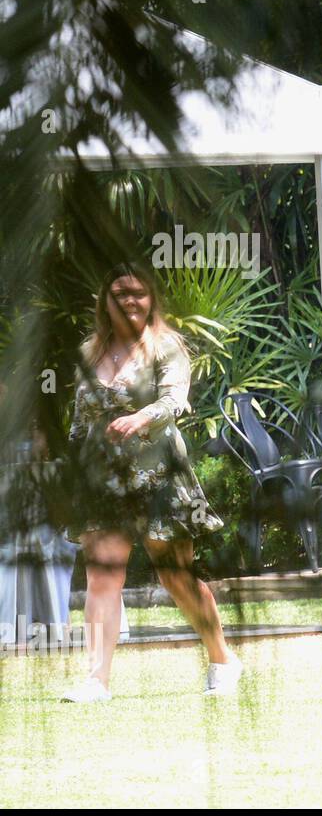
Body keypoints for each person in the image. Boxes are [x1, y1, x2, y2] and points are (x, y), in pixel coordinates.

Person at [59, 264, 239, 702]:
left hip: (158, 476)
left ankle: (221, 659)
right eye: (119, 293)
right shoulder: (90, 351)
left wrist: (141, 418)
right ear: (105, 301)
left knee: (175, 576)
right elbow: (80, 418)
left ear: (151, 299)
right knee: (102, 576)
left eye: (138, 293)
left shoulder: (166, 346)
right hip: (101, 481)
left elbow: (175, 399)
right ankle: (96, 681)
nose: (130, 301)